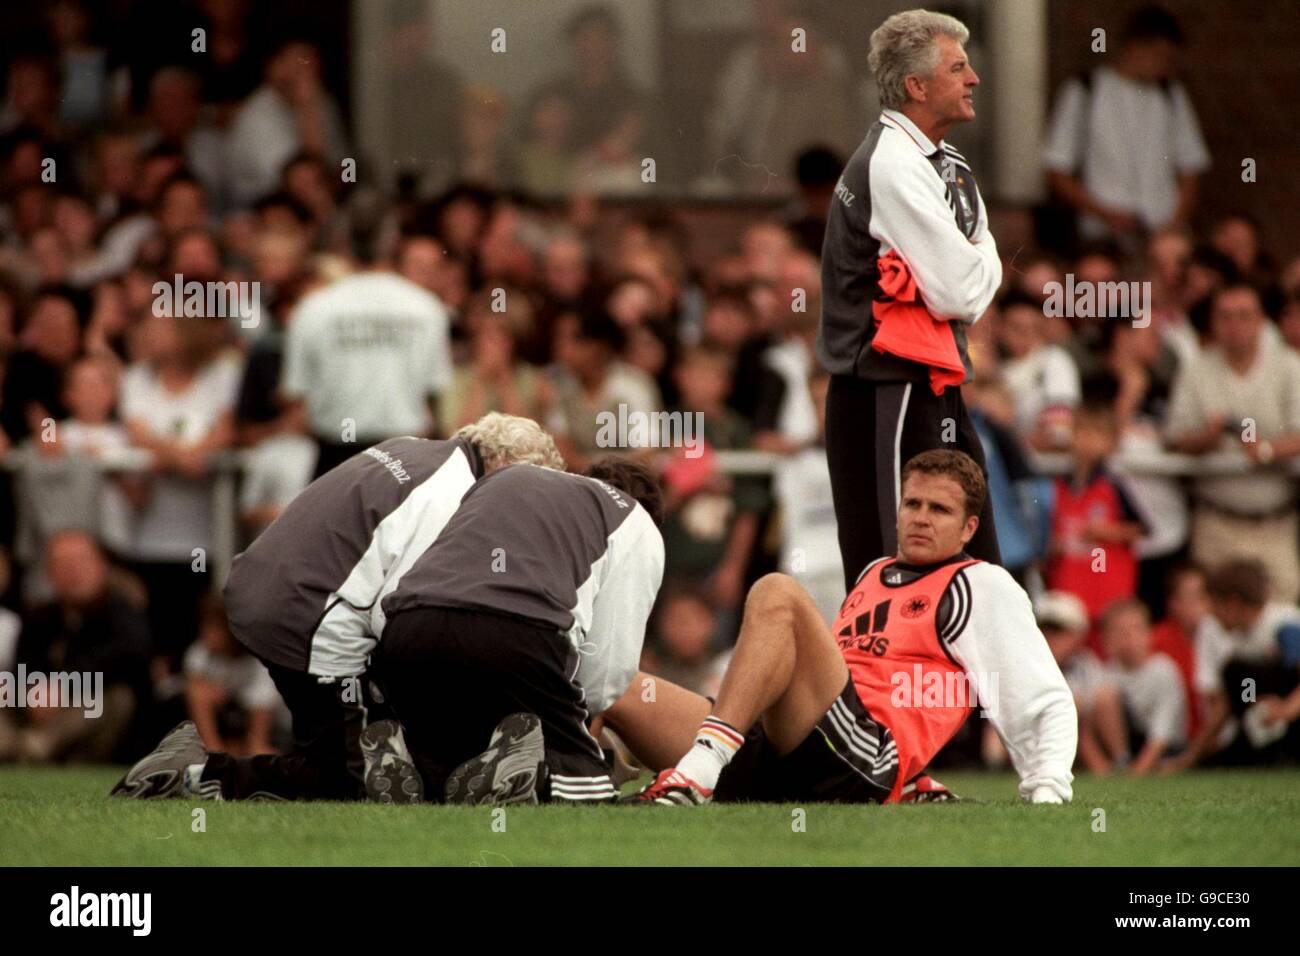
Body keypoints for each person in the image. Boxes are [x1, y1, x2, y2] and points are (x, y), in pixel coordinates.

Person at [110, 414, 564, 803]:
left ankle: (196, 771)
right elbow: (411, 610)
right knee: (348, 779)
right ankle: (196, 775)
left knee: (349, 755)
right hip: (306, 614)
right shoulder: (451, 493)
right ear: (508, 472)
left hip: (272, 590)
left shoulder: (411, 448)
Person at [602, 450, 1076, 806]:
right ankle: (584, 780)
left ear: (969, 528)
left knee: (778, 591)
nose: (921, 518)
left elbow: (1042, 696)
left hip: (866, 759)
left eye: (940, 509)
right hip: (799, 751)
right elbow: (837, 674)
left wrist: (1047, 790)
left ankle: (696, 775)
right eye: (913, 503)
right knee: (614, 683)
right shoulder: (874, 573)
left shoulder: (979, 583)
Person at [818, 9, 1002, 591]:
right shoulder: (892, 164)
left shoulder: (950, 164)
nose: (973, 77)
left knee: (974, 557)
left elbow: (977, 275)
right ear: (916, 87)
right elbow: (959, 292)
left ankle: (971, 682)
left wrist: (973, 264)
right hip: (883, 387)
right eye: (958, 67)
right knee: (890, 569)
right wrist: (972, 263)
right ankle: (876, 686)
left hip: (936, 382)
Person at [370, 457, 664, 805]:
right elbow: (607, 672)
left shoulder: (510, 476)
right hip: (516, 634)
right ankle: (534, 774)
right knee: (588, 784)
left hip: (409, 630)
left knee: (457, 760)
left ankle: (415, 763)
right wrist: (575, 720)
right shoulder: (637, 521)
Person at [1164, 282, 1300, 602]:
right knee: (1210, 617)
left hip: (1274, 523)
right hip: (1216, 521)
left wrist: (1266, 450)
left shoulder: (1290, 366)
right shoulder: (1196, 369)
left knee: (1281, 619)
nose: (1235, 325)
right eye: (1225, 316)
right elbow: (1174, 436)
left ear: (1261, 321)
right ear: (1213, 322)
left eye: (1244, 315)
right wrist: (1206, 438)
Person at [1041, 3, 1209, 252]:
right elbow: (1056, 169)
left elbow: (1191, 168)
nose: (1165, 66)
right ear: (1135, 46)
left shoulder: (1170, 94)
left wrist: (1173, 225)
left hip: (1161, 233)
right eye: (1160, 56)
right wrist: (1105, 213)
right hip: (1101, 235)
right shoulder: (1086, 89)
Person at [280, 251, 453, 479]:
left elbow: (297, 396)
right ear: (391, 243)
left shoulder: (314, 307)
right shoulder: (426, 306)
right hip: (403, 453)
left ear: (346, 245)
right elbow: (434, 394)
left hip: (340, 452)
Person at [1171, 560, 1300, 769]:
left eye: (1214, 605)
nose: (1211, 614)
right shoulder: (1239, 638)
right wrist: (1192, 754)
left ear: (1232, 603)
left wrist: (1285, 711)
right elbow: (1228, 701)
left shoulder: (1282, 625)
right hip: (1270, 718)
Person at [1089, 599, 1187, 775]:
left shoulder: (1164, 670)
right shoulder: (1106, 672)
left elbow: (1163, 730)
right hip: (1130, 745)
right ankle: (1121, 761)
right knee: (1102, 697)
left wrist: (1140, 770)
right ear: (1107, 639)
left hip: (1166, 748)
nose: (1128, 638)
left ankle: (1133, 767)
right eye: (1120, 632)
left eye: (1135, 629)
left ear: (1149, 633)